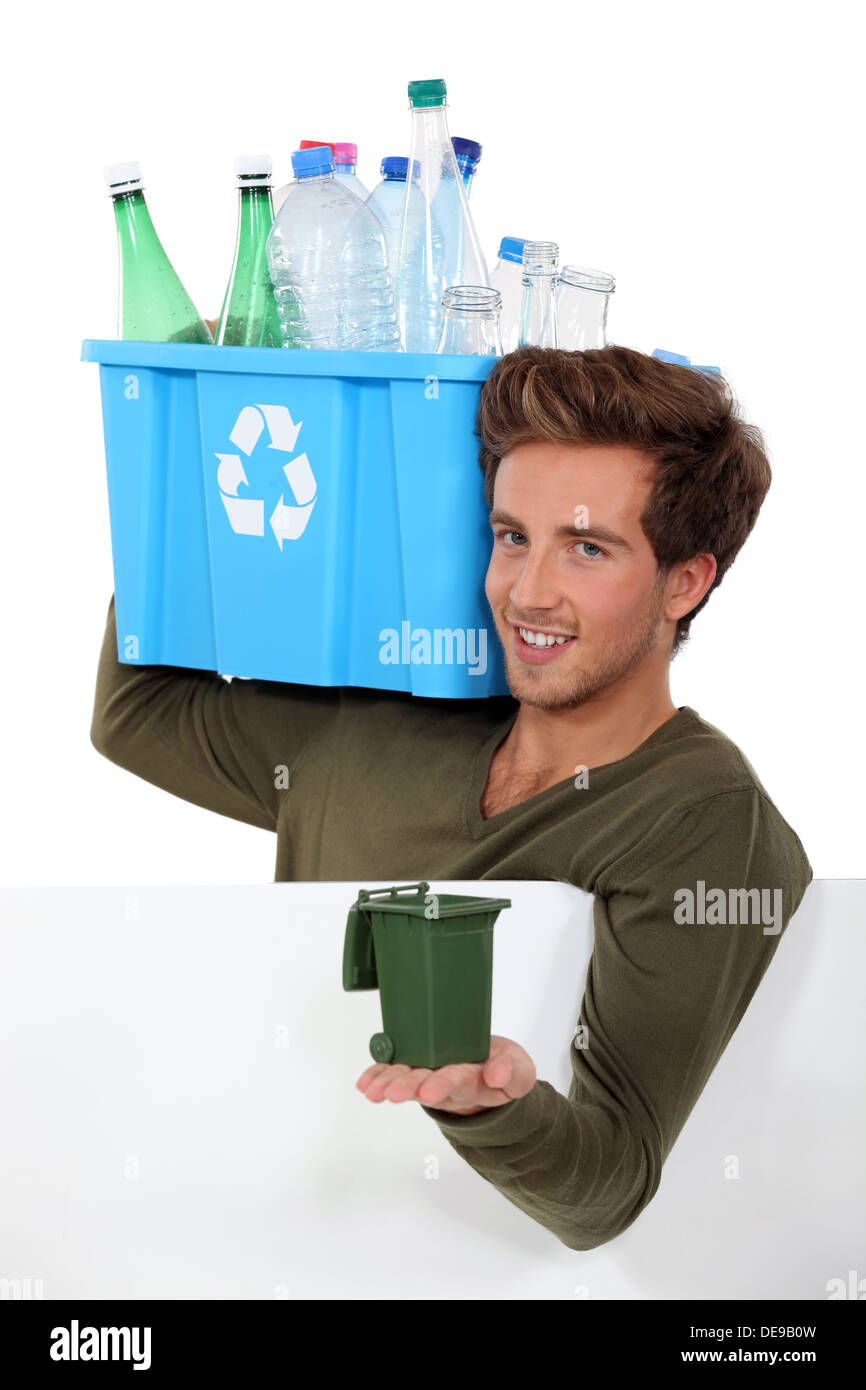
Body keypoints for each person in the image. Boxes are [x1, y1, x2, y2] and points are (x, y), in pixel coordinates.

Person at [90, 346, 812, 1250]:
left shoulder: (700, 818)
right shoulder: (381, 719)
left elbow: (608, 1187)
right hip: (262, 1244)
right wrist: (199, 436)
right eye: (512, 537)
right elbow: (136, 710)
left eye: (586, 548)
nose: (527, 593)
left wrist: (493, 1103)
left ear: (685, 581)